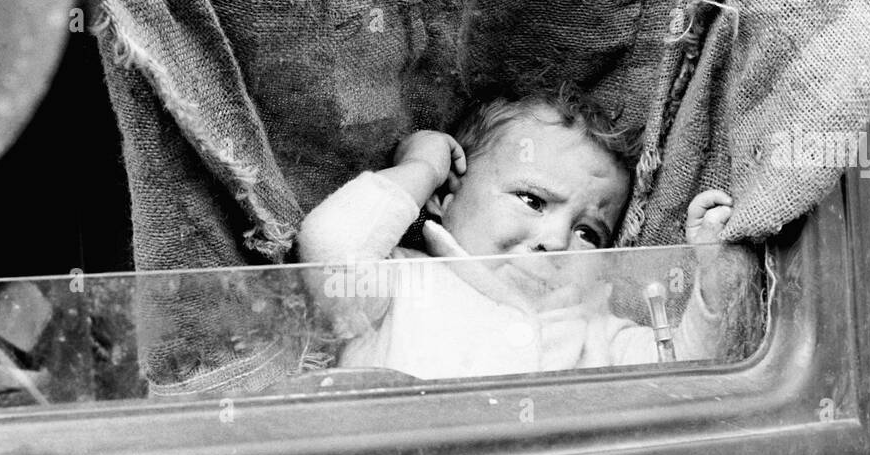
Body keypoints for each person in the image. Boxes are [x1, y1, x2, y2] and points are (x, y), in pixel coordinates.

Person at [297, 81, 738, 379]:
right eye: (533, 201)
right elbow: (331, 244)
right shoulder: (396, 285)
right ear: (443, 196)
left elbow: (684, 375)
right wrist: (421, 168)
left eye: (589, 233)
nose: (558, 241)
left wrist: (714, 276)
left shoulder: (592, 327)